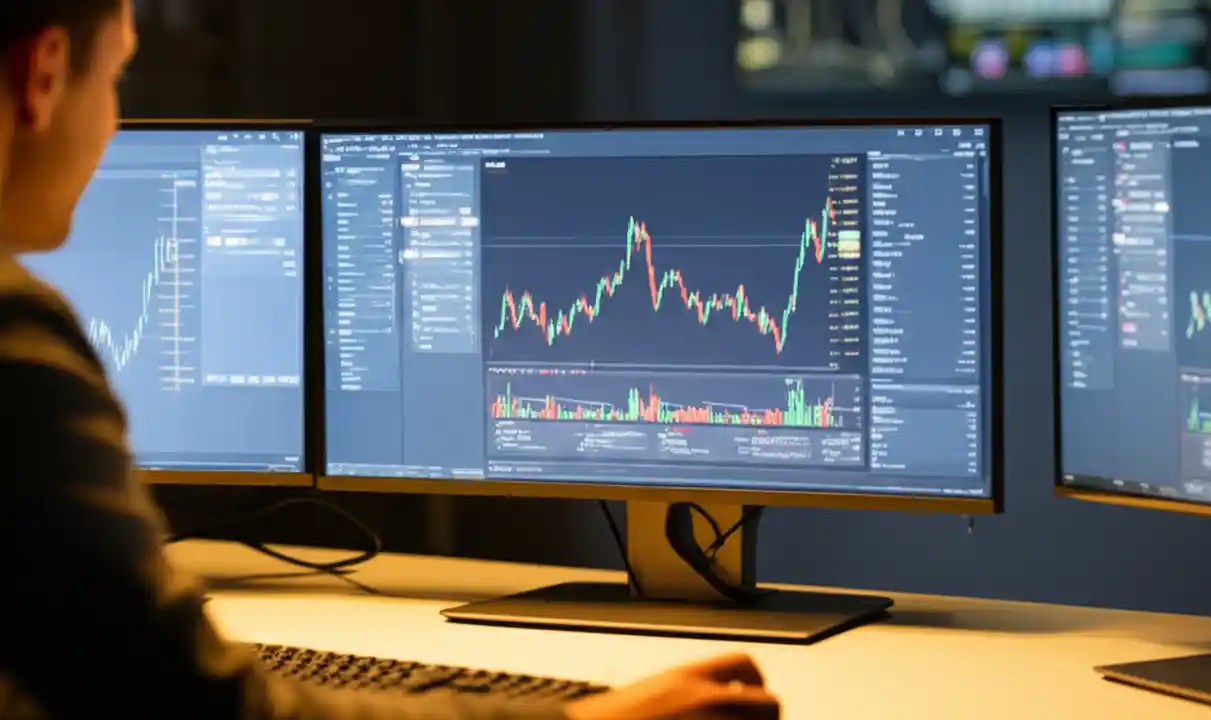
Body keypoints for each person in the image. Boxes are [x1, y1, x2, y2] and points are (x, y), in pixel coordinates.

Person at [0, 2, 782, 718]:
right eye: (115, 79)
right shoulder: (18, 345)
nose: (113, 124)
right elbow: (198, 708)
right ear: (42, 75)